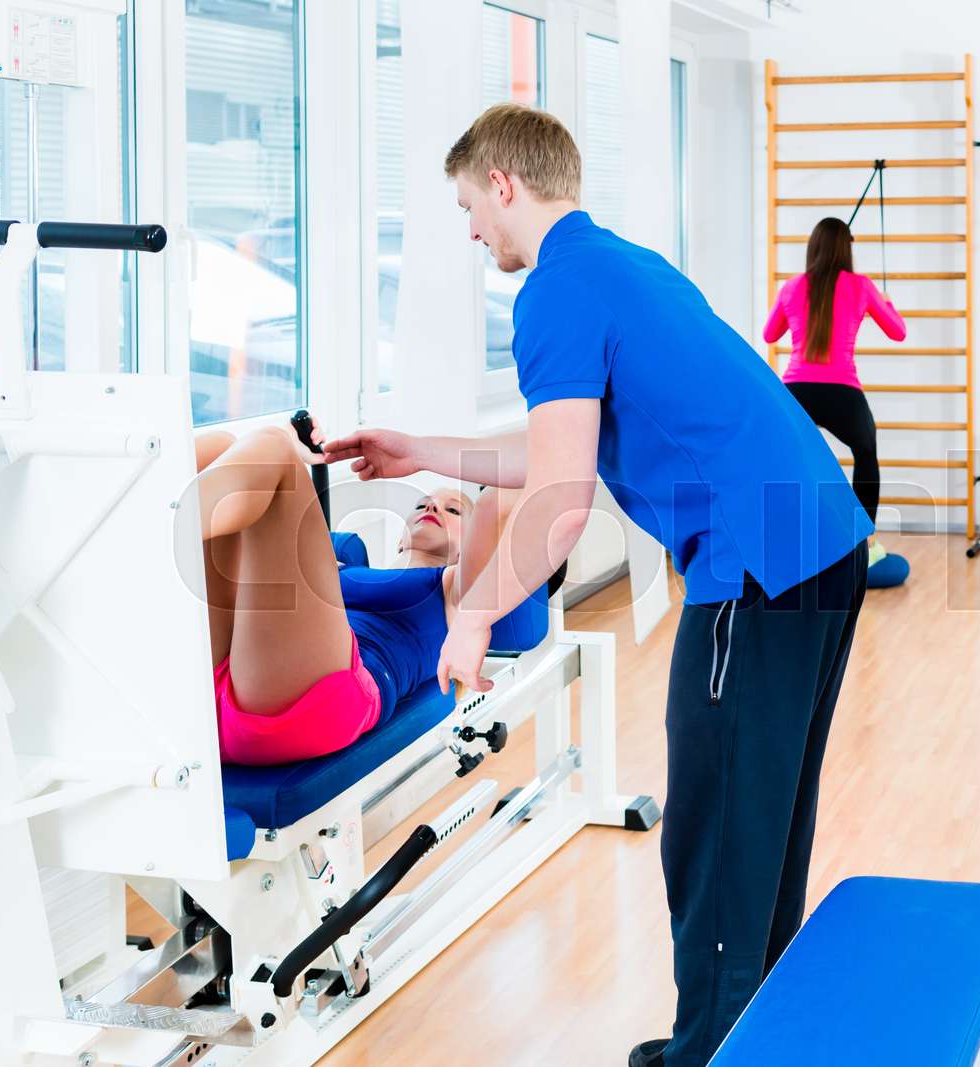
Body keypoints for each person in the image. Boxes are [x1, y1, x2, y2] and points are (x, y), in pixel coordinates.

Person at [323, 104, 871, 1067]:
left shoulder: (553, 294)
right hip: (821, 542)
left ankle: (714, 1054)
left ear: (503, 183)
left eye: (469, 207)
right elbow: (549, 453)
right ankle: (743, 1036)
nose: (472, 231)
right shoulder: (619, 265)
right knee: (764, 822)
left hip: (758, 569)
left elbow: (562, 502)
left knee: (714, 832)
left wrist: (475, 617)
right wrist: (417, 448)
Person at [194, 421, 545, 766]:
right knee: (219, 447)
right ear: (399, 539)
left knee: (272, 447)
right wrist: (294, 446)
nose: (432, 508)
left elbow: (503, 503)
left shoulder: (458, 592)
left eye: (453, 510)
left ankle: (158, 527)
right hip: (234, 681)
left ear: (470, 546)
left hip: (328, 702)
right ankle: (164, 527)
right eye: (423, 504)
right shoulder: (339, 567)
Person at [764, 216, 906, 526]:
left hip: (797, 391)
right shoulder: (862, 286)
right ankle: (862, 529)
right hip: (843, 393)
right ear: (846, 249)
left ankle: (783, 524)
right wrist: (887, 303)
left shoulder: (791, 287)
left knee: (787, 458)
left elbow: (769, 335)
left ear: (813, 247)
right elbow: (898, 332)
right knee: (866, 451)